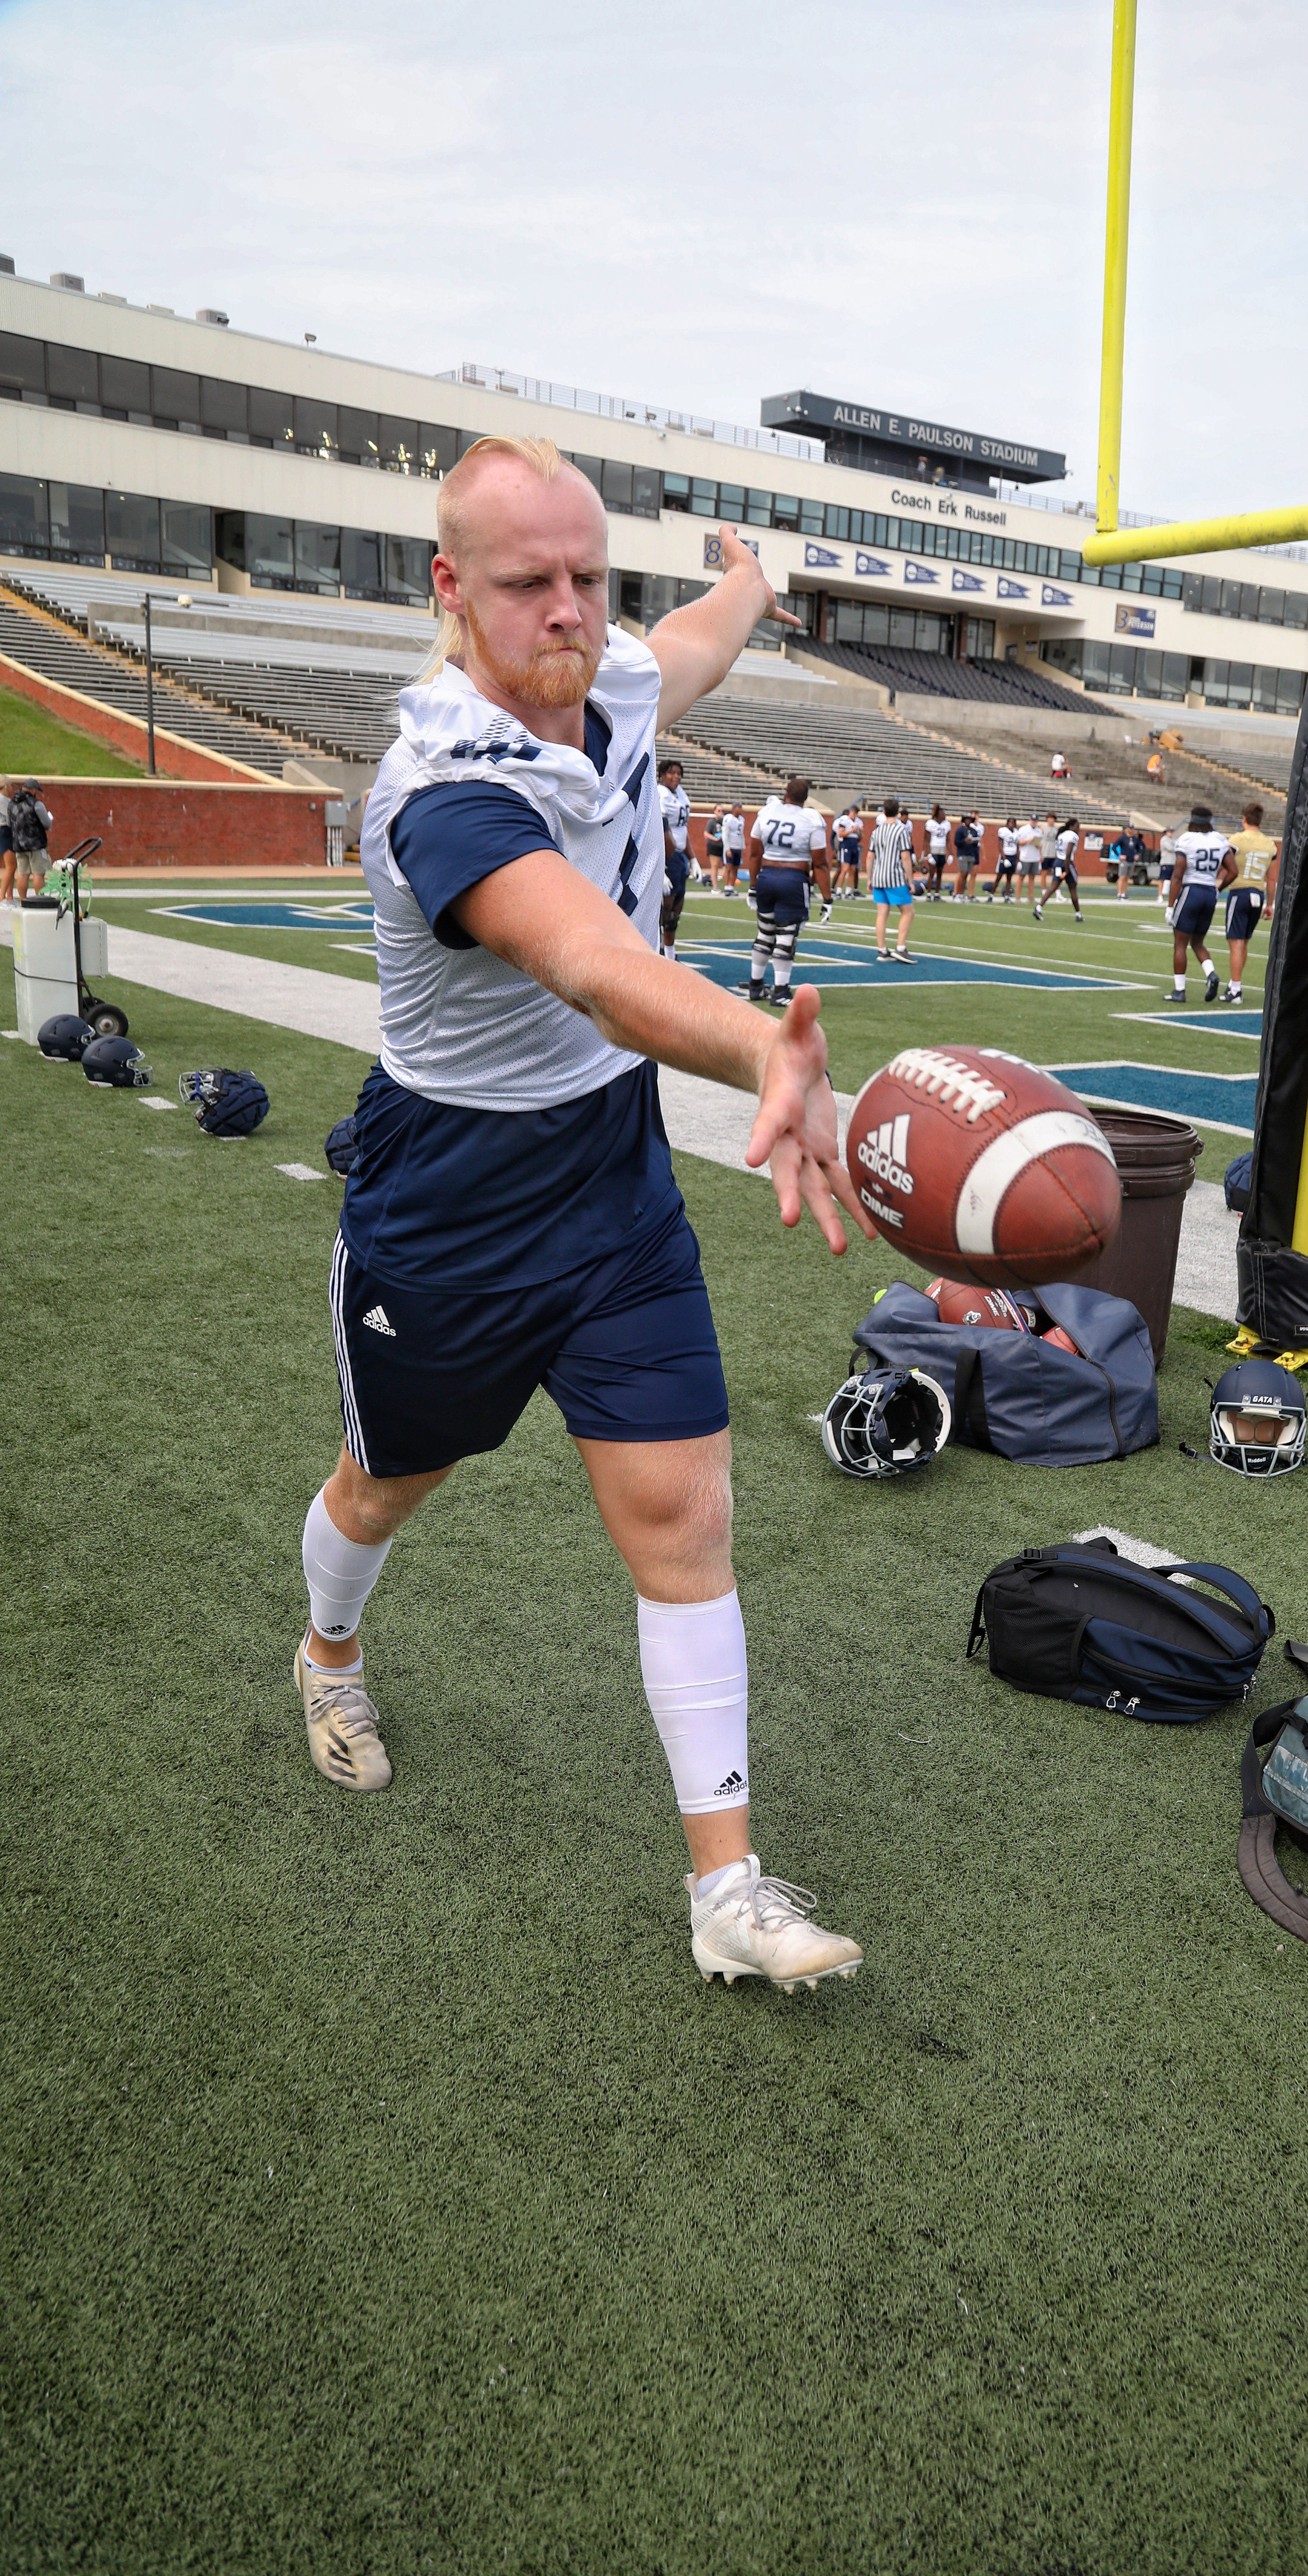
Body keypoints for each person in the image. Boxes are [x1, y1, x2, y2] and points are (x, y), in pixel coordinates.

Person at [296, 435, 872, 1993]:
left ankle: (727, 1888)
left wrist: (749, 579)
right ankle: (331, 1655)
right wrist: (762, 1045)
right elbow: (592, 967)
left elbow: (679, 654)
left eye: (587, 576)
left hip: (609, 1186)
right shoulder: (445, 791)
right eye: (527, 583)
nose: (570, 612)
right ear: (449, 590)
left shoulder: (603, 666)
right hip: (451, 1203)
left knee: (683, 1515)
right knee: (386, 1482)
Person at [747, 777, 828, 1007]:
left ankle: (756, 985)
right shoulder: (812, 819)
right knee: (786, 937)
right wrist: (828, 898)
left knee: (765, 933)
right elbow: (821, 863)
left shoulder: (767, 812)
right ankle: (781, 991)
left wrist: (753, 886)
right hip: (793, 881)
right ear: (806, 798)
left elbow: (754, 854)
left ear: (786, 794)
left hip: (767, 877)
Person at [1162, 803, 1229, 1001]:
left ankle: (1180, 991)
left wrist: (1170, 906)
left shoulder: (1187, 839)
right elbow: (1233, 871)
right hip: (1210, 893)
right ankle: (1212, 975)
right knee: (1198, 942)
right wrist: (1218, 889)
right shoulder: (1220, 839)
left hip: (1192, 891)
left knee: (1180, 944)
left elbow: (1178, 875)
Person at [1222, 802, 1277, 999]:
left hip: (1240, 892)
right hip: (1258, 895)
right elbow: (1272, 878)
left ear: (1244, 820)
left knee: (1236, 942)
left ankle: (1236, 990)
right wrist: (1270, 904)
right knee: (1244, 942)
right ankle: (1234, 983)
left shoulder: (1237, 839)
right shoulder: (1269, 844)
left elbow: (1225, 865)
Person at [868, 796, 915, 959]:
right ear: (898, 812)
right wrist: (910, 880)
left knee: (882, 913)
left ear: (884, 811)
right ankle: (901, 948)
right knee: (908, 912)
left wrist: (870, 878)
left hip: (879, 877)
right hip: (894, 877)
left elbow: (870, 856)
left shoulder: (876, 831)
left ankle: (882, 950)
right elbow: (906, 857)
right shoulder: (902, 831)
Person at [657, 758, 690, 963]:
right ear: (662, 774)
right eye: (671, 773)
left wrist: (693, 858)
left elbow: (682, 830)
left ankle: (669, 957)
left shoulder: (680, 794)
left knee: (676, 910)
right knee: (664, 910)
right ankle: (656, 951)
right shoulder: (659, 793)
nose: (676, 777)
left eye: (678, 773)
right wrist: (661, 867)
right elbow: (660, 830)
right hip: (666, 856)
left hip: (679, 857)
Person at [1035, 816, 1085, 922]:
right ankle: (1079, 915)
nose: (1079, 829)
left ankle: (1038, 908)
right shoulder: (1073, 836)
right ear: (1072, 826)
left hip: (1058, 862)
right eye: (1077, 827)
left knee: (1053, 887)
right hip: (1066, 863)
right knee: (1073, 888)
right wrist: (1066, 871)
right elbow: (1068, 854)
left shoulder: (1062, 834)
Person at [8, 777, 52, 898]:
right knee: (38, 874)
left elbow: (9, 822)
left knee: (23, 874)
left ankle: (23, 901)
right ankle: (40, 899)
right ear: (33, 790)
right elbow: (47, 824)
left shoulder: (12, 804)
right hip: (36, 844)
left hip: (18, 844)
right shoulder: (37, 804)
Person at [986, 816, 1020, 903]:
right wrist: (1004, 859)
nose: (1012, 824)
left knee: (1010, 878)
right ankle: (991, 895)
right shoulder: (1003, 831)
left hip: (1013, 856)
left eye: (1013, 823)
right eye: (1010, 823)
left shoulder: (1017, 833)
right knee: (999, 877)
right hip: (1005, 856)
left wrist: (1018, 860)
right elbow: (1000, 846)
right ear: (1007, 823)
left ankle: (1007, 897)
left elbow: (1017, 847)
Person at [833, 805, 863, 901]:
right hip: (846, 846)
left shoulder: (859, 822)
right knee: (845, 870)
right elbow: (841, 834)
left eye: (856, 814)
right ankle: (838, 892)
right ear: (850, 812)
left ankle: (848, 892)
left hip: (855, 847)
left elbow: (860, 839)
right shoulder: (844, 820)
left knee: (853, 870)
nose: (855, 815)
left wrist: (860, 832)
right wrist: (852, 830)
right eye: (854, 813)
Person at [951, 812, 982, 902]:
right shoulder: (960, 830)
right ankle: (958, 894)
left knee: (967, 875)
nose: (968, 821)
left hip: (971, 854)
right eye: (967, 820)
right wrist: (965, 841)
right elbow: (957, 843)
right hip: (963, 854)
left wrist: (975, 842)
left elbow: (976, 843)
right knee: (962, 874)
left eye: (969, 820)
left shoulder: (974, 831)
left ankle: (962, 894)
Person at [1111, 822, 1145, 900]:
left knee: (1127, 878)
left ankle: (1124, 894)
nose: (1131, 830)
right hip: (1125, 861)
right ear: (1127, 829)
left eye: (1132, 829)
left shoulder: (1135, 839)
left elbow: (1140, 848)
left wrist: (1137, 854)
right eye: (1130, 829)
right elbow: (1114, 846)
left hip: (1132, 860)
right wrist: (1119, 856)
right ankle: (1119, 894)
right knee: (1122, 877)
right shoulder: (1123, 838)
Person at [924, 805, 952, 900]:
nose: (945, 815)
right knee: (932, 873)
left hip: (942, 850)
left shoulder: (947, 824)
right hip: (934, 849)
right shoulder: (930, 823)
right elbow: (926, 840)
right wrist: (928, 854)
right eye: (943, 813)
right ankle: (929, 894)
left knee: (940, 873)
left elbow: (948, 840)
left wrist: (951, 854)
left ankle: (937, 894)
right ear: (938, 814)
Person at [719, 802, 746, 895]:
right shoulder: (728, 819)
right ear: (735, 808)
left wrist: (743, 847)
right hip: (731, 847)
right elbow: (725, 835)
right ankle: (727, 887)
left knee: (736, 868)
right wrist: (727, 849)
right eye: (739, 808)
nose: (741, 810)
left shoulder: (742, 819)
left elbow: (742, 834)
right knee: (728, 867)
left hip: (738, 847)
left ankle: (732, 887)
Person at [701, 806, 723, 889]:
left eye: (722, 811)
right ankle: (715, 886)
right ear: (715, 812)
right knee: (715, 866)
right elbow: (706, 834)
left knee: (727, 866)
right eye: (719, 811)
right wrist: (715, 839)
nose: (721, 813)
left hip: (723, 847)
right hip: (714, 846)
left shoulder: (724, 822)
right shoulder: (712, 822)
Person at [0, 781, 14, 907]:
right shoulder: (2, 800)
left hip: (5, 831)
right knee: (11, 866)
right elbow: (10, 818)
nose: (12, 786)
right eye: (10, 784)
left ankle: (10, 897)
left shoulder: (5, 799)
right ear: (5, 786)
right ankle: (2, 897)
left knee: (11, 867)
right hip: (5, 831)